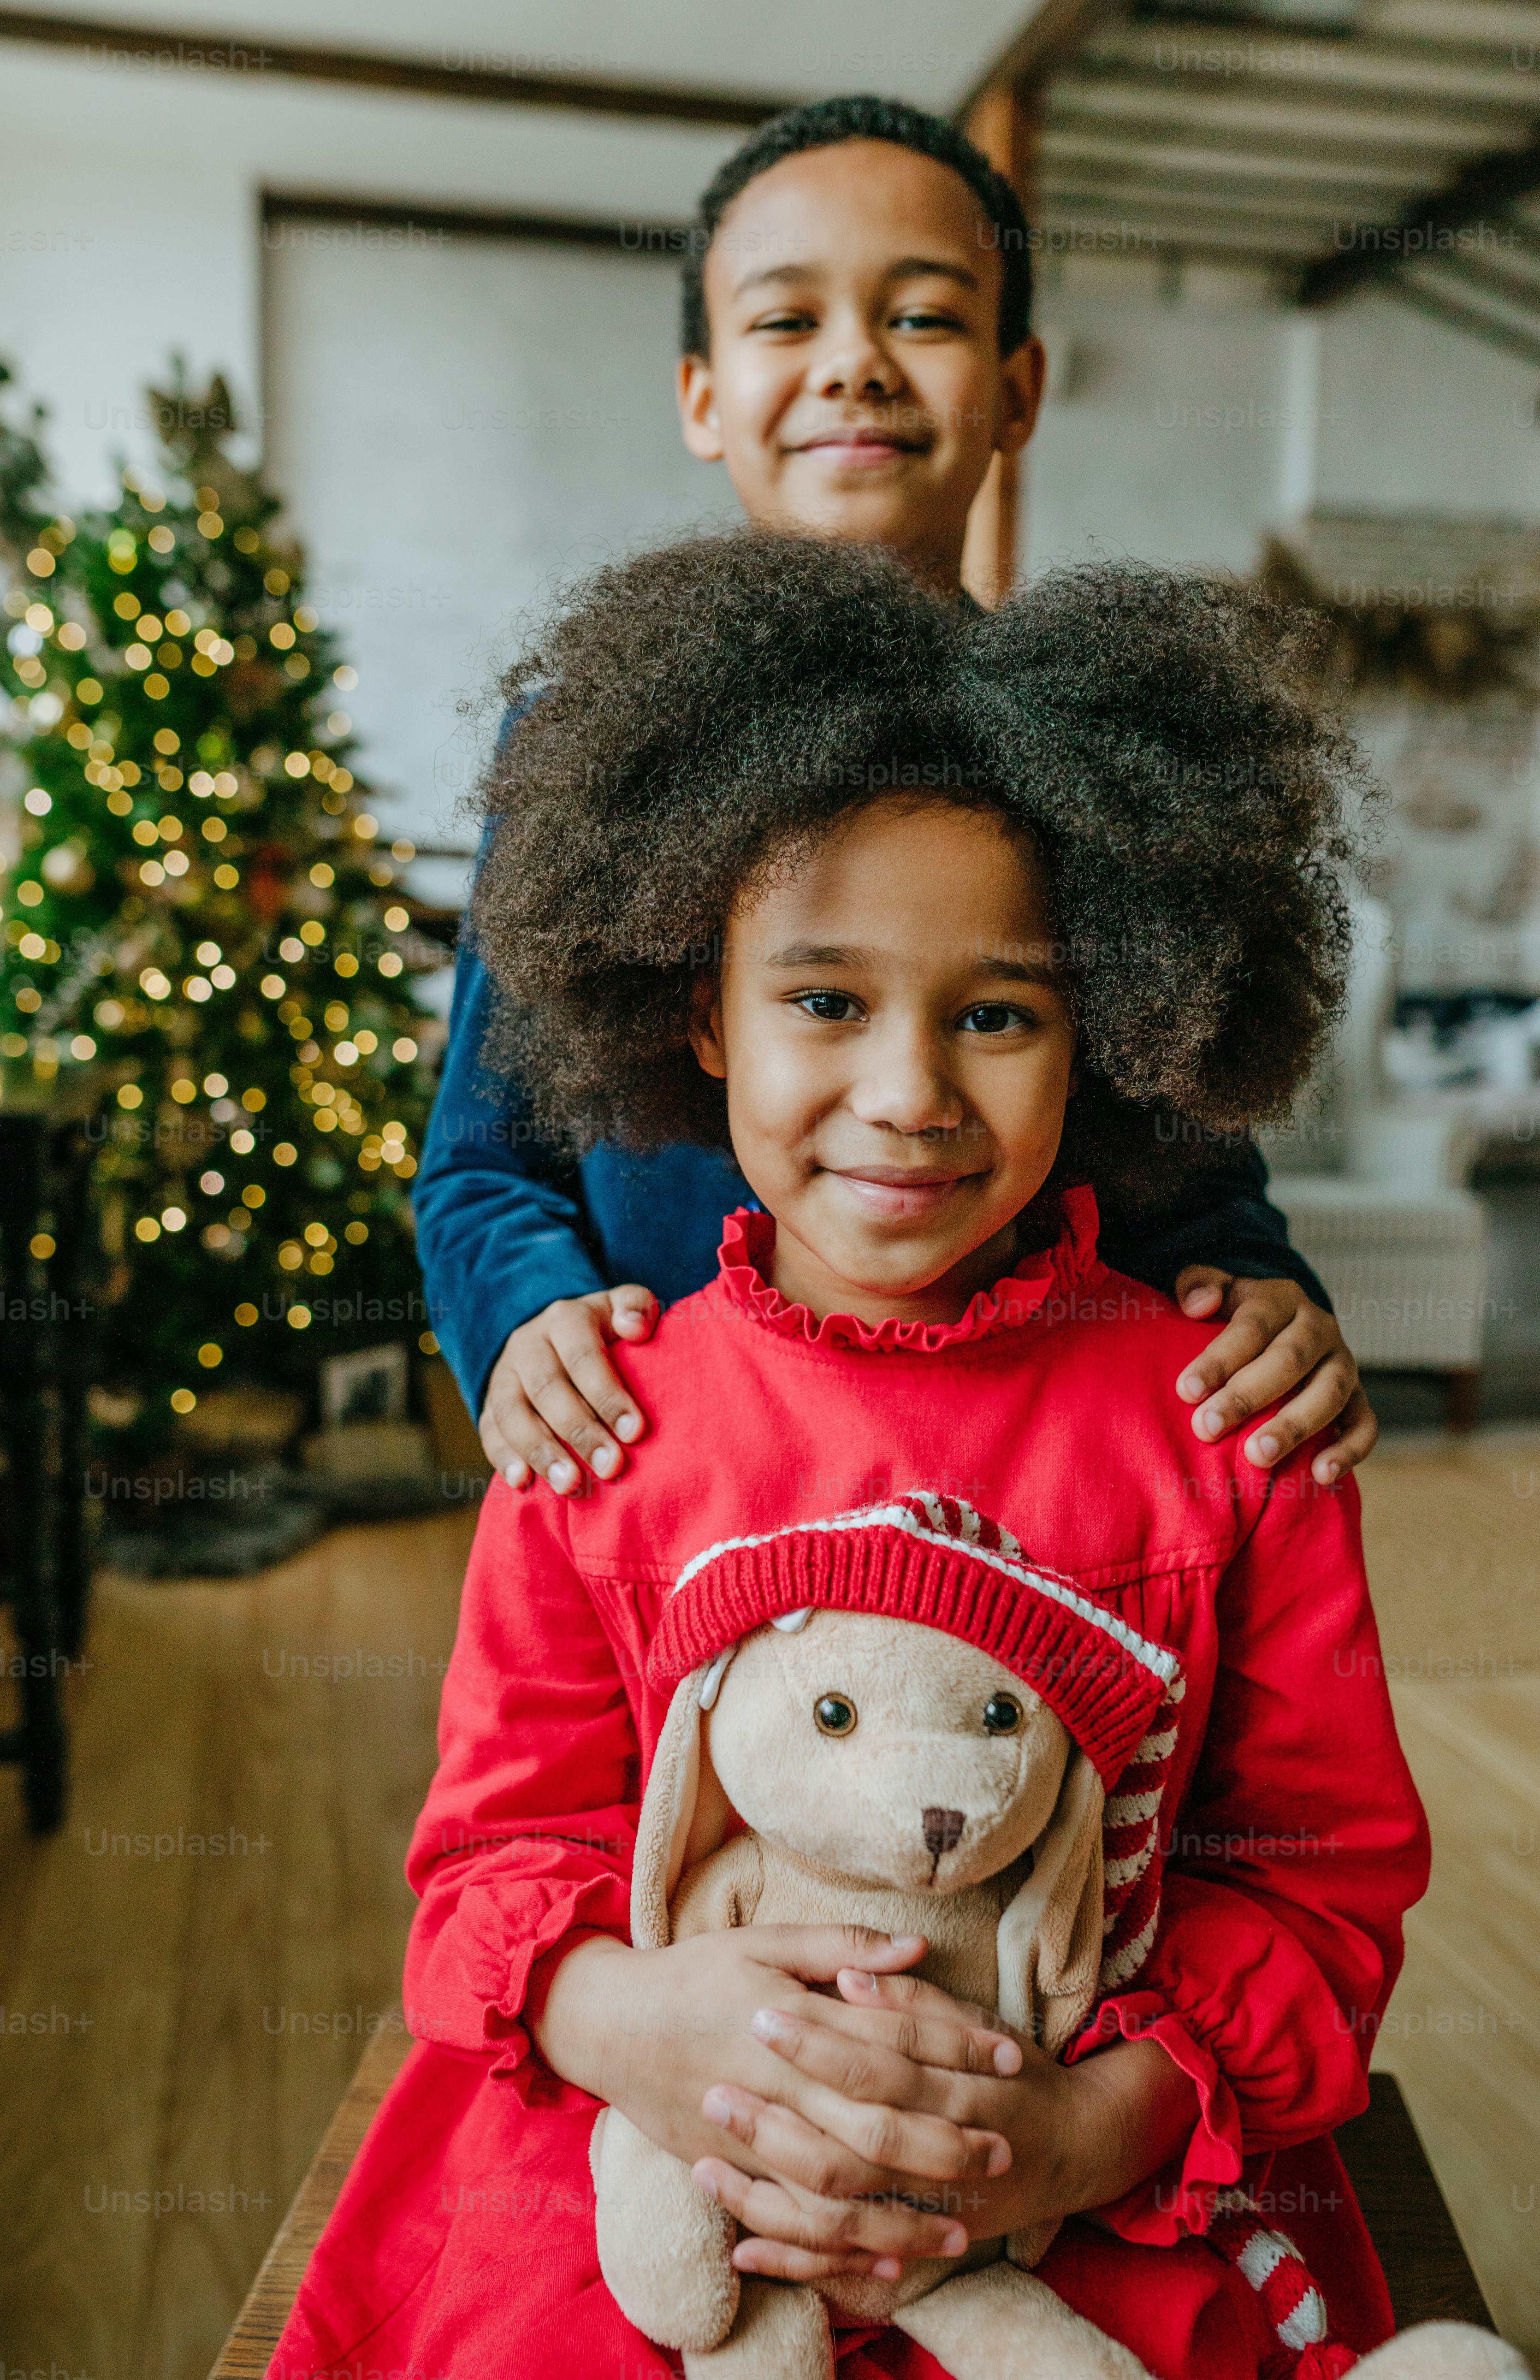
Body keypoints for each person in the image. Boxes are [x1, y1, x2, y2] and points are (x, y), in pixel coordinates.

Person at [273, 538, 1427, 2380]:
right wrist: (638, 2026)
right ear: (700, 1014)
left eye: (998, 1012)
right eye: (824, 1000)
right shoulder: (600, 1430)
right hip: (650, 2155)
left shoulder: (1234, 1433)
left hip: (1109, 2184)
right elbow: (495, 1861)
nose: (908, 1094)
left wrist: (1075, 2131)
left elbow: (1315, 1886)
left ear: (1107, 1029)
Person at [413, 94, 1379, 1506]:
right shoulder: (579, 756)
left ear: (1016, 386)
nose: (855, 364)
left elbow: (1190, 1173)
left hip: (1028, 1498)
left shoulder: (1115, 759)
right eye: (786, 319)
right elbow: (481, 1164)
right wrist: (525, 1320)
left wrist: (1254, 1289)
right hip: (672, 1480)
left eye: (922, 316)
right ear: (702, 394)